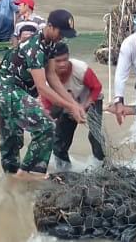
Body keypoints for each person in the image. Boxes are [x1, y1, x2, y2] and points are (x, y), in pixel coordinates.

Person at [0, 9, 86, 180]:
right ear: (49, 26)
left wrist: (74, 103)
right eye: (61, 32)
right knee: (44, 127)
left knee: (12, 137)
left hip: (18, 90)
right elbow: (42, 87)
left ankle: (15, 177)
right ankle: (26, 173)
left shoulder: (51, 44)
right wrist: (70, 106)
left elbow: (52, 76)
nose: (62, 37)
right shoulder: (34, 48)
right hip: (6, 88)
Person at [41, 42, 105, 170]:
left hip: (90, 99)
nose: (62, 64)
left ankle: (100, 166)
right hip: (65, 105)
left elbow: (97, 87)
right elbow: (48, 109)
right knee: (60, 140)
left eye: (65, 59)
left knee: (95, 134)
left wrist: (85, 106)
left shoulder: (81, 69)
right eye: (58, 61)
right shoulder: (45, 79)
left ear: (69, 56)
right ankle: (64, 170)